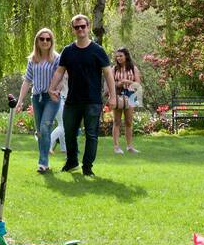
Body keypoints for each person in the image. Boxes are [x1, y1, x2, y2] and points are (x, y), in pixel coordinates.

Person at [49, 13, 114, 176]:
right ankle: (72, 162)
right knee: (69, 133)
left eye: (82, 26)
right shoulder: (68, 51)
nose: (80, 29)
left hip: (92, 101)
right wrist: (51, 88)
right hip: (72, 100)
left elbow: (108, 74)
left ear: (88, 27)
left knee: (91, 134)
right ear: (73, 30)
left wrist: (113, 96)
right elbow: (59, 72)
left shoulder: (98, 50)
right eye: (76, 27)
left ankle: (87, 167)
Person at [18, 28, 61, 174]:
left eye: (48, 39)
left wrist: (56, 90)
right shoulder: (32, 59)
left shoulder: (56, 58)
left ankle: (43, 162)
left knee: (44, 127)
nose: (45, 41)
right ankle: (45, 162)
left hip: (52, 98)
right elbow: (27, 81)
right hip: (36, 97)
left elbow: (61, 77)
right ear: (37, 41)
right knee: (40, 132)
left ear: (51, 41)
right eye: (41, 39)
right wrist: (19, 102)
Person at [111, 47, 143, 155]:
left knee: (129, 122)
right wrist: (118, 84)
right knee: (117, 121)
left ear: (126, 56)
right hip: (118, 95)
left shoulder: (133, 68)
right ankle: (116, 147)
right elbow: (110, 83)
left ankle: (130, 147)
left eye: (121, 56)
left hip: (131, 95)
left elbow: (138, 84)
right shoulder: (114, 69)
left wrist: (127, 81)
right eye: (117, 56)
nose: (118, 58)